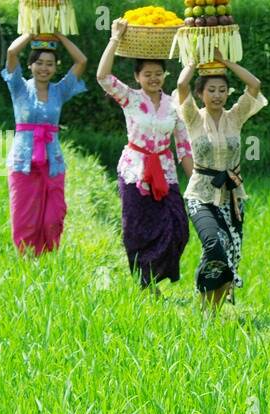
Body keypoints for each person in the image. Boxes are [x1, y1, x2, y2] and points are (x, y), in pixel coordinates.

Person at [96, 19, 194, 291]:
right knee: (137, 229)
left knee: (177, 227)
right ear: (138, 77)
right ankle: (144, 283)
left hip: (165, 171)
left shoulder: (174, 104)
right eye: (147, 74)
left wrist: (196, 182)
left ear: (164, 75)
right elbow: (103, 77)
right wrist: (115, 38)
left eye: (158, 73)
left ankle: (157, 275)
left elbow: (184, 146)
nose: (153, 78)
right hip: (134, 170)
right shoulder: (130, 98)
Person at [176, 49, 267, 309]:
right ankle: (203, 295)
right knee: (215, 243)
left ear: (228, 93)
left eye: (222, 90)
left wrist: (224, 61)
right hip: (200, 195)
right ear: (201, 93)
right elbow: (181, 84)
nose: (217, 95)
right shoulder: (193, 117)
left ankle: (210, 310)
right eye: (211, 90)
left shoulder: (235, 117)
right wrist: (194, 60)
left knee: (227, 253)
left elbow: (255, 85)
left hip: (231, 197)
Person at [2, 32, 87, 255]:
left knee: (53, 215)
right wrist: (30, 33)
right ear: (30, 65)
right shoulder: (19, 88)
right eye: (39, 62)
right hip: (23, 162)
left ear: (55, 67)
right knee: (24, 216)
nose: (44, 68)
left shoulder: (60, 91)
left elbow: (81, 61)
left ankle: (48, 257)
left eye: (49, 64)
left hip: (52, 163)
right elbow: (12, 52)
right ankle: (26, 261)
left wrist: (60, 36)